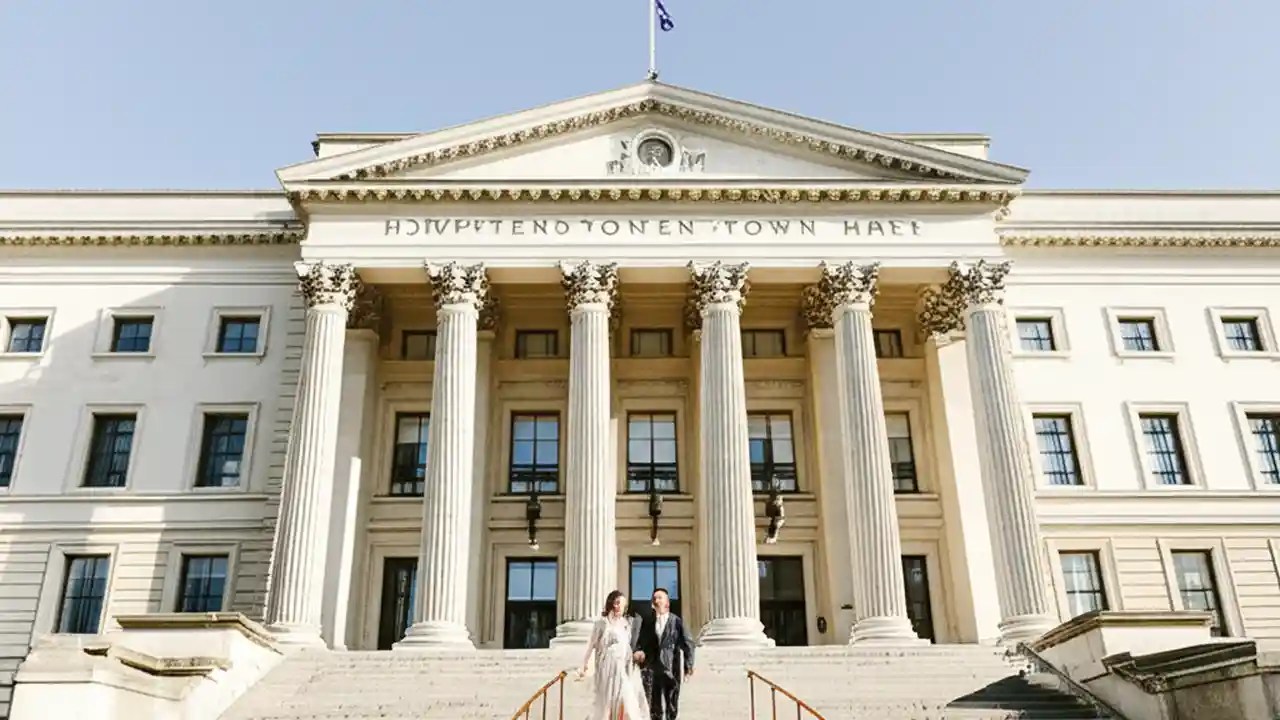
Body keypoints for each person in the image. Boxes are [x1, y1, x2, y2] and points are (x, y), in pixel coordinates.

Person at [578, 590, 650, 720]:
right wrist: (584, 665)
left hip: (623, 668)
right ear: (611, 603)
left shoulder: (626, 624)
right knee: (606, 704)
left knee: (627, 700)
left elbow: (628, 646)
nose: (619, 607)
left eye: (622, 605)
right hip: (606, 667)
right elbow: (591, 645)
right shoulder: (601, 623)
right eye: (617, 603)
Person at [630, 588, 694, 720]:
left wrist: (689, 665)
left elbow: (688, 643)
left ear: (667, 603)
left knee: (672, 704)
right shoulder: (648, 622)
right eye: (654, 598)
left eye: (660, 598)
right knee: (654, 706)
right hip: (652, 668)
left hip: (671, 668)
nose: (656, 600)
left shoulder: (677, 621)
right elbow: (640, 641)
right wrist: (637, 651)